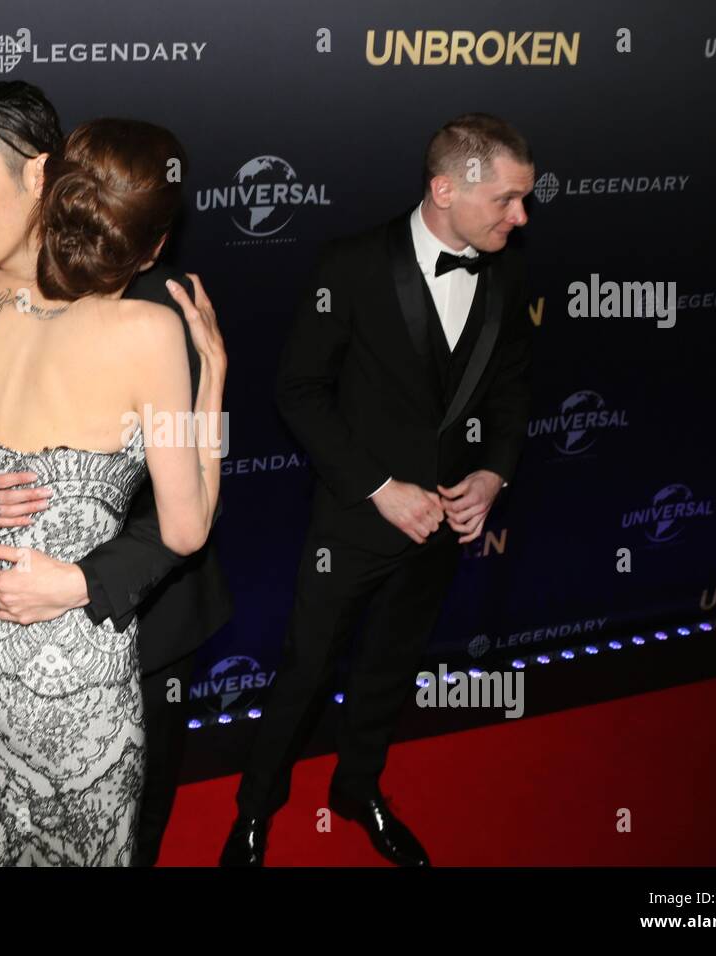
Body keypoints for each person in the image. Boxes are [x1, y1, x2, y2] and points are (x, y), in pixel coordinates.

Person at [0, 105, 227, 866]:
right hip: (69, 663)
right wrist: (212, 382)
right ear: (154, 243)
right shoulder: (153, 332)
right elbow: (187, 529)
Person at [221, 113, 535, 866]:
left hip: (443, 528)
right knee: (305, 670)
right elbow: (298, 390)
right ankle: (255, 812)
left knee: (391, 666)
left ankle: (357, 787)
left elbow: (513, 390)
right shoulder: (353, 263)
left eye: (524, 201)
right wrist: (378, 488)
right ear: (443, 189)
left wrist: (492, 474)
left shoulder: (509, 272)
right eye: (506, 199)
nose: (520, 217)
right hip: (354, 525)